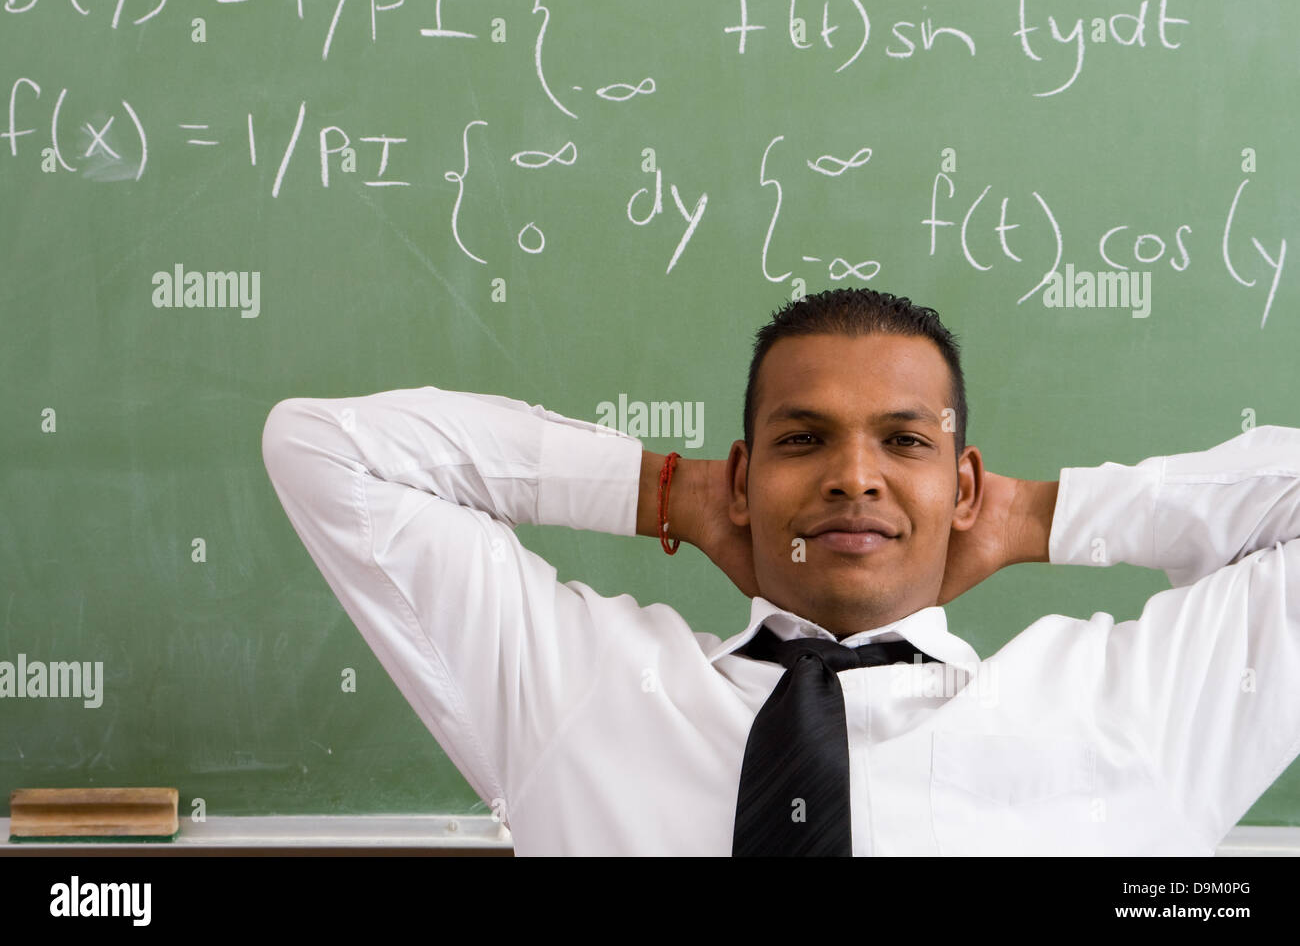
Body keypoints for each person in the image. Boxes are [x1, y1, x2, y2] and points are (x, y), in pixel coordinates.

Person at [260, 287, 1300, 855]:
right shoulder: (574, 691)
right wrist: (665, 491)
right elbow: (325, 450)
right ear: (743, 479)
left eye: (904, 442)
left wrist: (1035, 514)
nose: (854, 477)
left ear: (965, 485)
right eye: (804, 441)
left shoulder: (1134, 710)